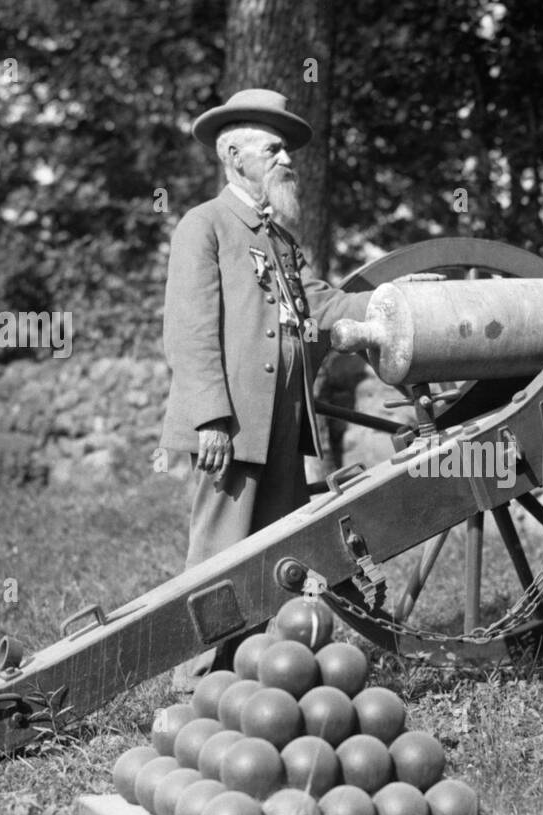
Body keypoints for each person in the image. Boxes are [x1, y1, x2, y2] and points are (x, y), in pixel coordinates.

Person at [158, 88, 370, 684]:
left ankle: (253, 675)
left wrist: (396, 304)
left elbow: (324, 304)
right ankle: (194, 684)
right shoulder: (205, 226)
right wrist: (210, 419)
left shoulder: (280, 240)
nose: (287, 160)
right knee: (220, 555)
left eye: (286, 150)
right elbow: (191, 331)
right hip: (233, 425)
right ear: (234, 156)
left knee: (277, 558)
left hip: (285, 422)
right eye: (273, 149)